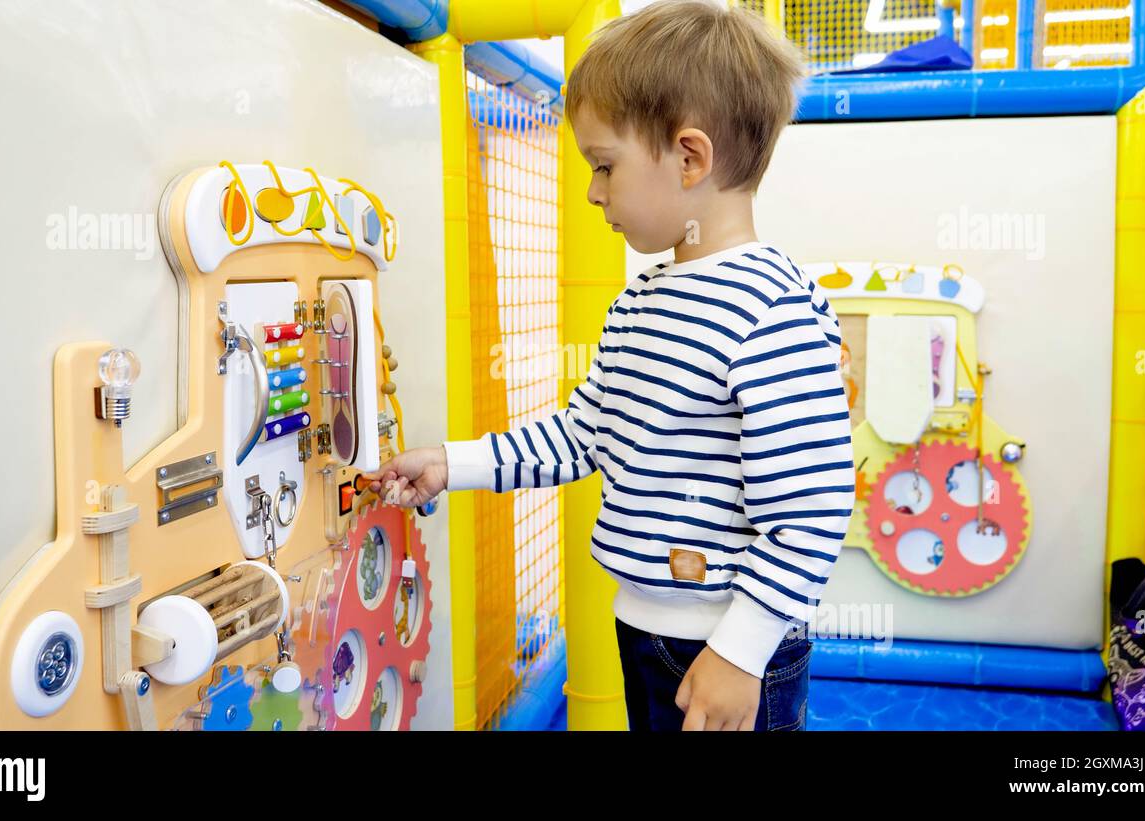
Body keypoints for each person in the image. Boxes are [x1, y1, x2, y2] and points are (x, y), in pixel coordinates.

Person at [363, 0, 854, 731]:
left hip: (729, 642)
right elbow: (583, 434)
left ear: (690, 158)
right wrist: (450, 462)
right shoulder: (644, 296)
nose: (593, 191)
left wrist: (742, 648)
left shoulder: (770, 309)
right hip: (648, 629)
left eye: (604, 166)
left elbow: (812, 508)